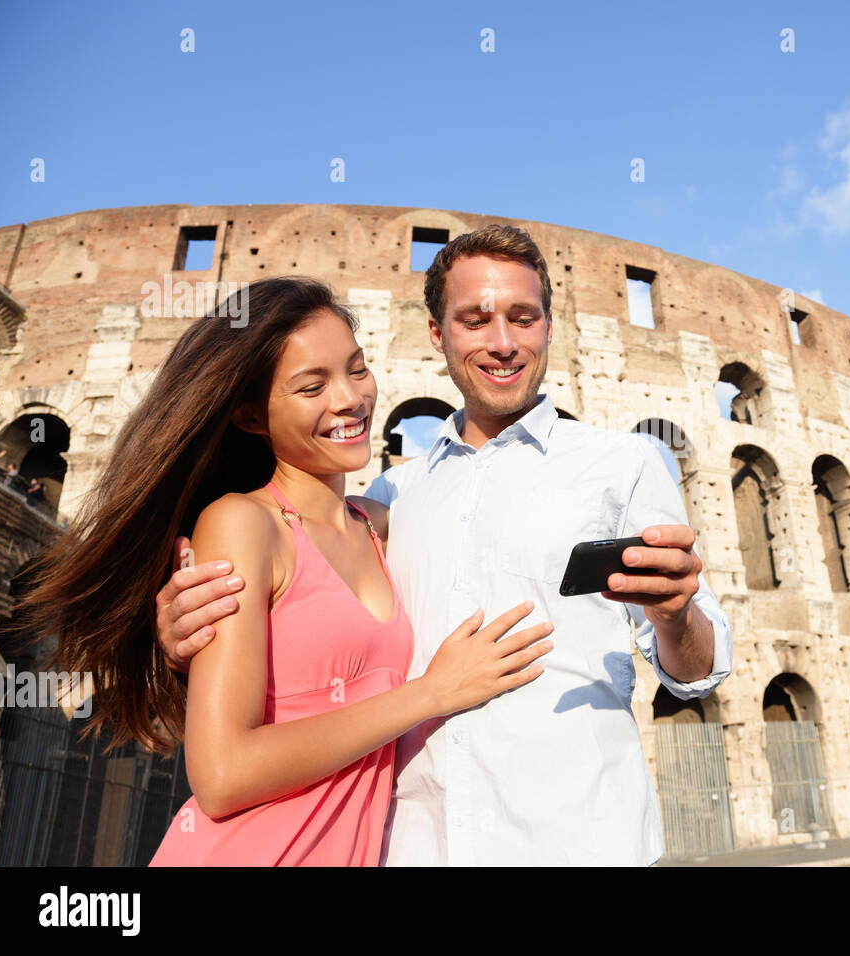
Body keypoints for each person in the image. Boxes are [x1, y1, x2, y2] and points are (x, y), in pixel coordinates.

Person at [157, 225, 734, 865]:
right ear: (438, 334)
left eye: (524, 317)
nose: (504, 342)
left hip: (580, 844)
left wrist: (677, 616)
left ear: (549, 325)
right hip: (414, 849)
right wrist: (189, 629)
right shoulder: (390, 500)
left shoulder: (621, 464)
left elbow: (695, 673)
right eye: (475, 319)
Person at [10, 276, 552, 866]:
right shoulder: (244, 523)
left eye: (357, 368)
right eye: (312, 386)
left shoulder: (382, 526)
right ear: (251, 416)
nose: (349, 399)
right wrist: (432, 693)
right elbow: (221, 775)